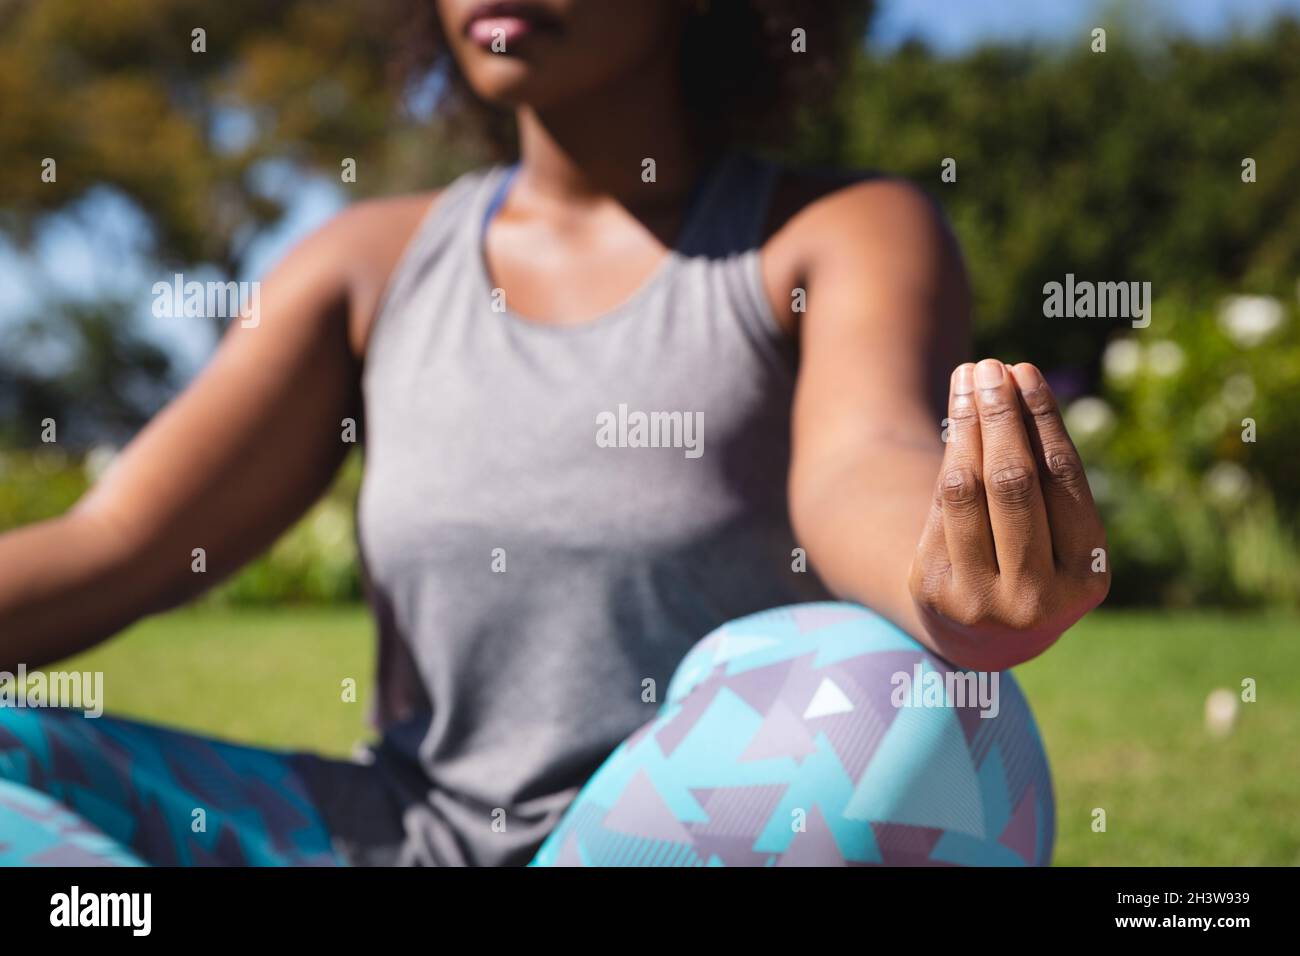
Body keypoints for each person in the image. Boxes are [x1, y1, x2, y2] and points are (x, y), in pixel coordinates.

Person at [0, 0, 1109, 866]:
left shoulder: (827, 233)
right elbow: (116, 541)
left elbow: (862, 457)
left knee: (913, 714)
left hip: (702, 837)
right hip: (389, 835)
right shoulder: (365, 263)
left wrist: (951, 577)